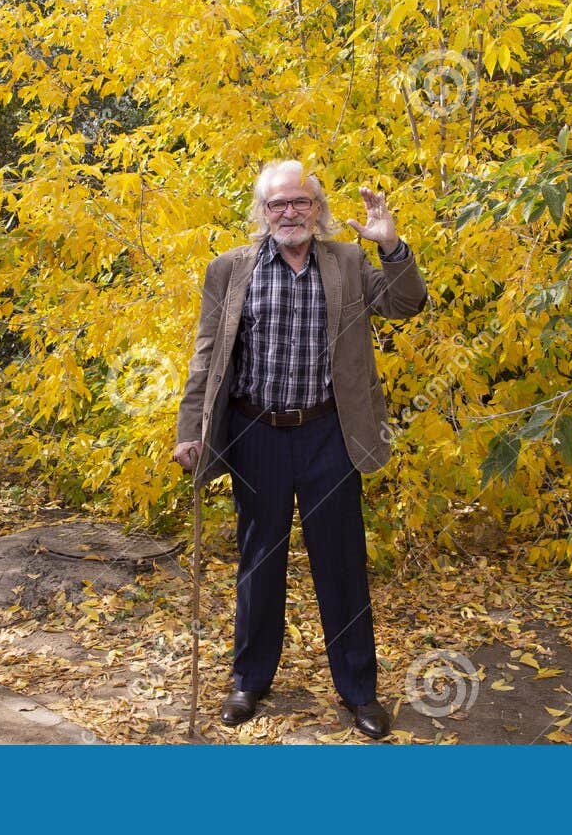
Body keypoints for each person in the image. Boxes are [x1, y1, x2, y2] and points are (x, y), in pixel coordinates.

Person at [173, 159, 427, 739]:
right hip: (254, 433)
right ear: (262, 213)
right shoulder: (228, 270)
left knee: (341, 564)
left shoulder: (349, 262)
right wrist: (192, 428)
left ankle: (359, 692)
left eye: (300, 202)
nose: (289, 213)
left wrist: (391, 246)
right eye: (277, 204)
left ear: (318, 209)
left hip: (329, 435)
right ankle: (249, 681)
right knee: (258, 564)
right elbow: (207, 355)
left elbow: (407, 305)